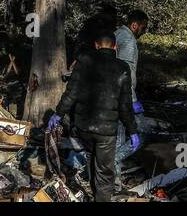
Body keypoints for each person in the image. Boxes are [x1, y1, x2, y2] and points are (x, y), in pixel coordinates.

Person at [47, 26, 138, 202]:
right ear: (115, 47)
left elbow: (70, 93)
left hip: (84, 127)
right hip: (107, 131)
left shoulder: (83, 62)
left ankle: (97, 196)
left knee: (91, 160)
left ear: (96, 45)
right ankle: (101, 198)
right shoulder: (122, 68)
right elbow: (125, 105)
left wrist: (58, 114)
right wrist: (132, 130)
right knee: (104, 170)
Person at [113, 10, 149, 172]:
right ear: (134, 25)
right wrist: (132, 100)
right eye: (143, 28)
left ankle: (113, 173)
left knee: (119, 136)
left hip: (113, 94)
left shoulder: (117, 34)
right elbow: (124, 72)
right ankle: (109, 162)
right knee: (143, 133)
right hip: (124, 96)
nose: (144, 31)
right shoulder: (127, 40)